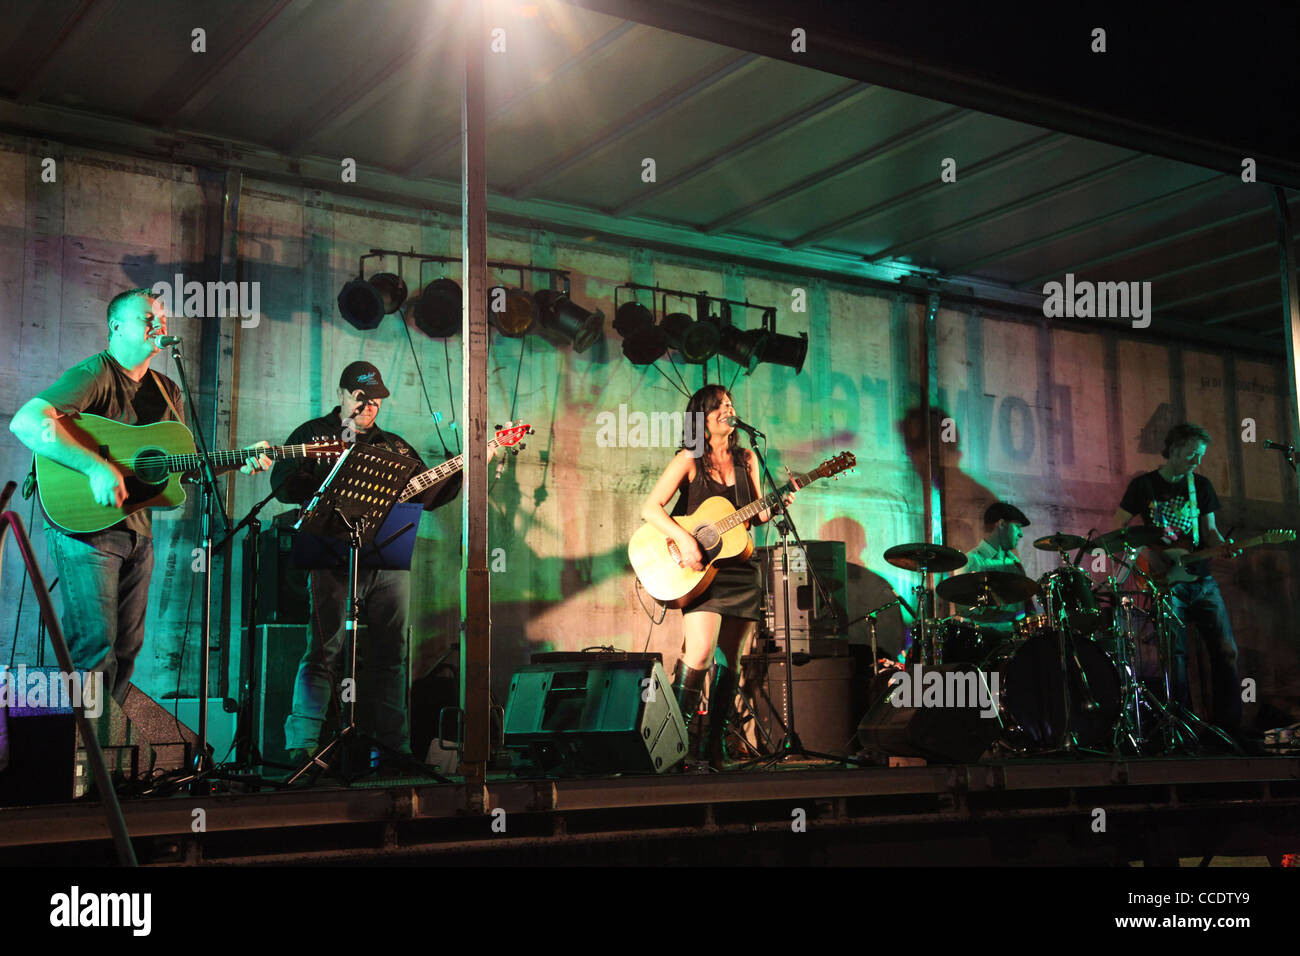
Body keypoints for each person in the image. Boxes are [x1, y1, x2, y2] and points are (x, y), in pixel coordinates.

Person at [8, 288, 271, 704]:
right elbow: (25, 422)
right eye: (146, 318)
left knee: (126, 652)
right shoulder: (95, 373)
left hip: (137, 532)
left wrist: (240, 460)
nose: (158, 324)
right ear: (116, 327)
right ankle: (78, 762)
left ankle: (106, 754)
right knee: (95, 647)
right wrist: (96, 467)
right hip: (85, 530)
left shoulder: (168, 389)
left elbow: (181, 466)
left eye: (161, 317)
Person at [272, 361, 462, 771]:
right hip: (330, 558)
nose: (369, 406)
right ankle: (302, 747)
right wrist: (324, 487)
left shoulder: (394, 446)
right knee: (324, 649)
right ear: (342, 394)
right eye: (361, 398)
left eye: (376, 400)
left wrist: (456, 472)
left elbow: (424, 497)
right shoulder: (311, 436)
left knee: (392, 654)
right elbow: (282, 484)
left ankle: (393, 748)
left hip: (388, 561)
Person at [640, 385, 796, 769]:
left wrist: (778, 504)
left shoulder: (747, 459)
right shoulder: (689, 459)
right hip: (699, 571)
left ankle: (713, 748)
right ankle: (674, 747)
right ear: (703, 420)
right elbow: (650, 509)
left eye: (730, 404)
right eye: (719, 406)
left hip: (741, 568)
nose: (729, 409)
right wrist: (684, 540)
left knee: (732, 661)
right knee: (700, 653)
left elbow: (755, 514)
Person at [1112, 423, 1241, 736]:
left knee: (1226, 651)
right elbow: (1118, 530)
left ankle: (1228, 728)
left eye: (1200, 456)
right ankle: (1183, 729)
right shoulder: (1144, 486)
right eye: (1192, 454)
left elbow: (1210, 530)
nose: (1197, 461)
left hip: (1201, 578)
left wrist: (1223, 543)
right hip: (1166, 581)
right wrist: (1146, 554)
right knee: (1176, 657)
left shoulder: (1202, 486)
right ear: (1174, 449)